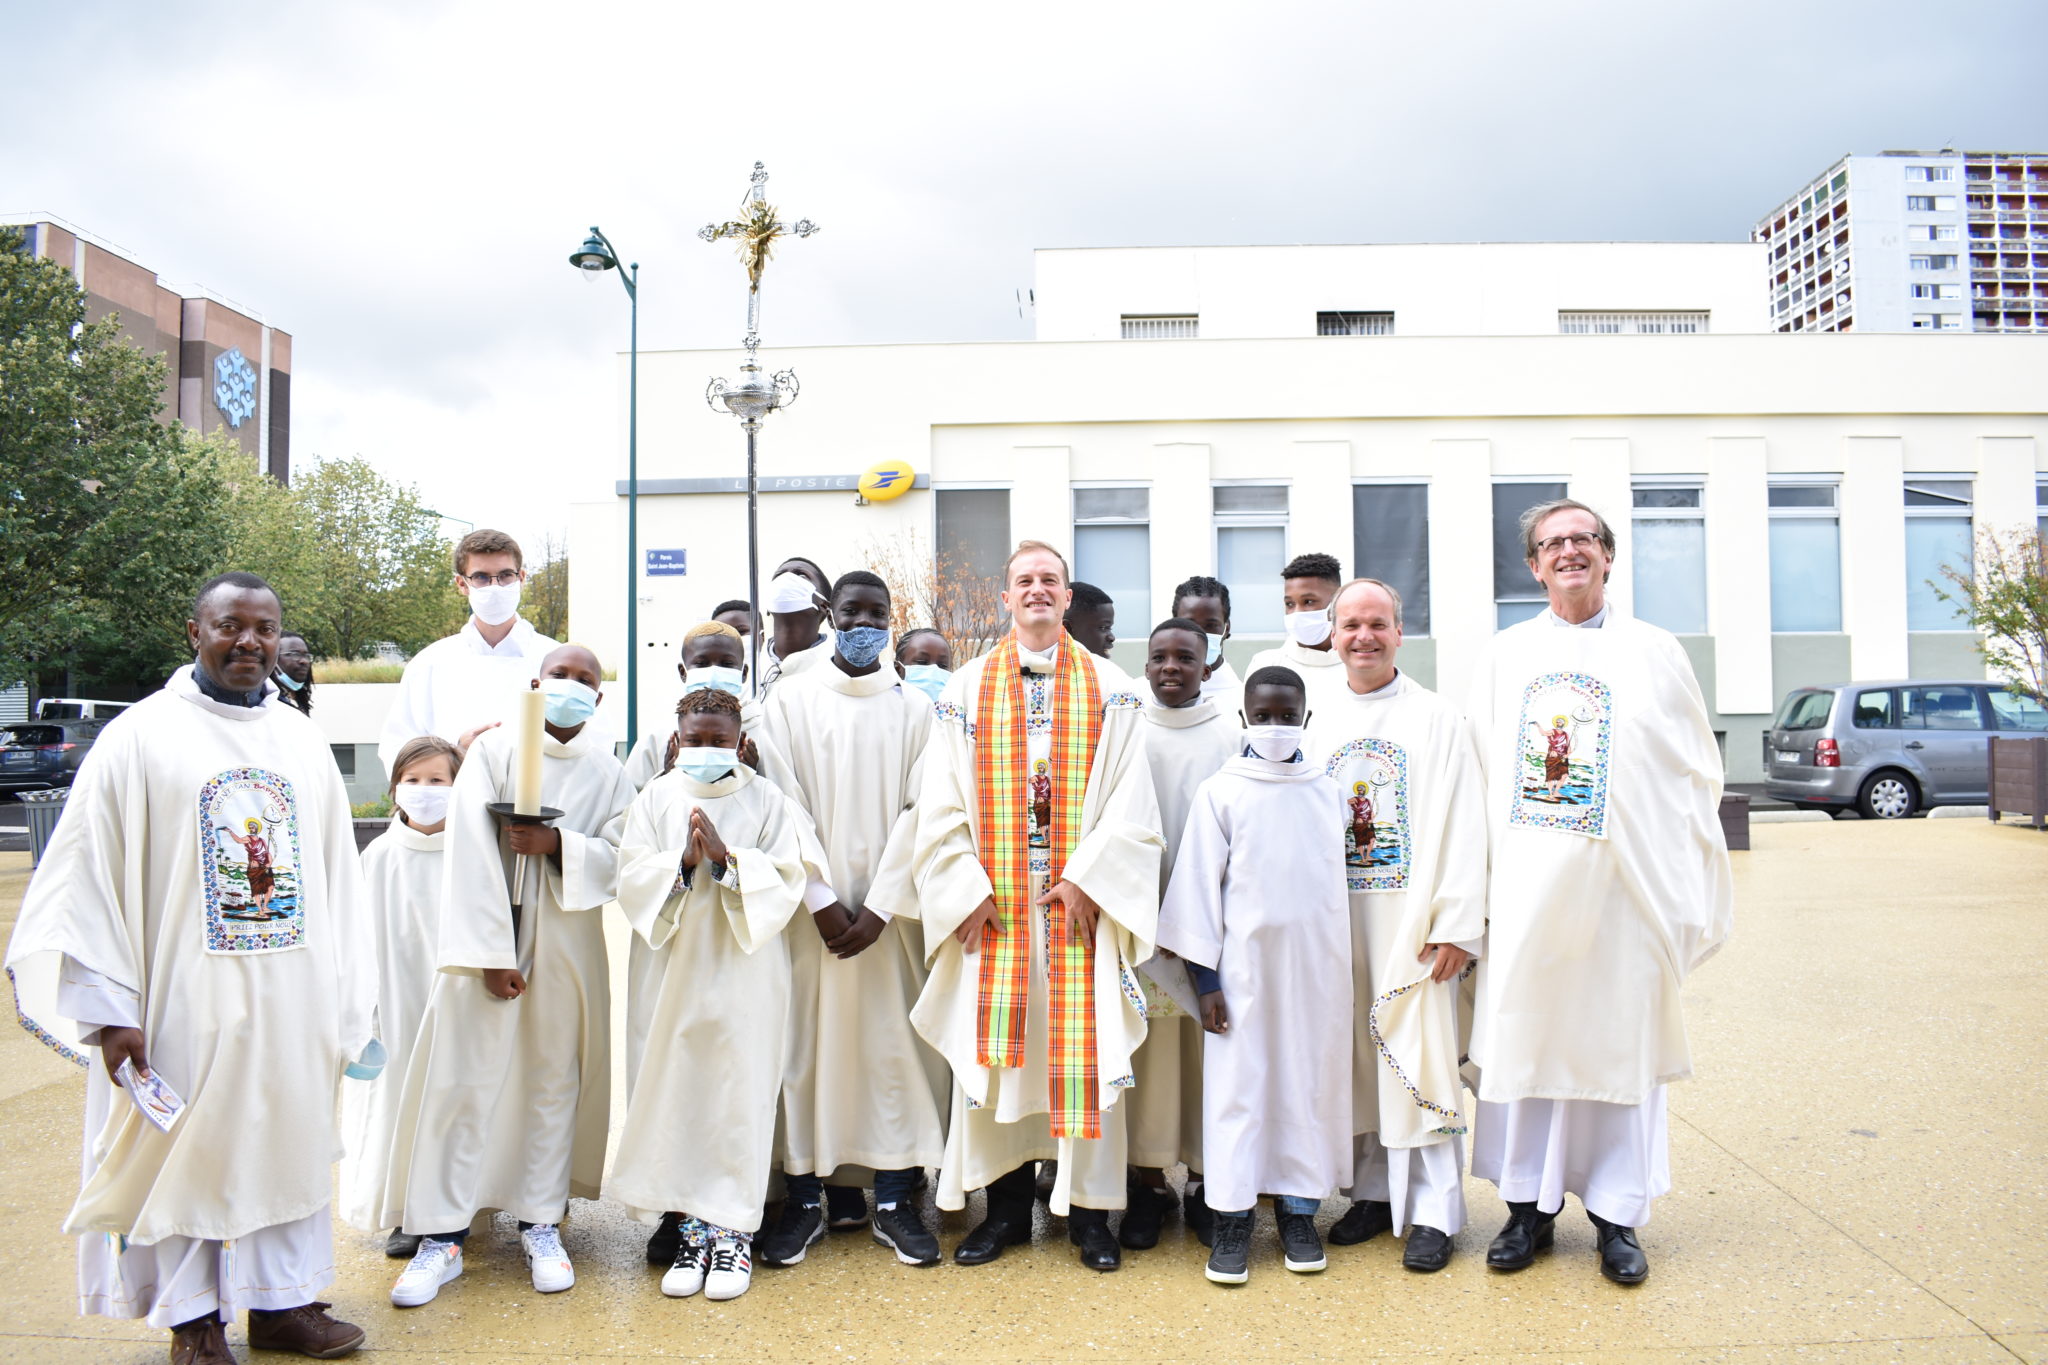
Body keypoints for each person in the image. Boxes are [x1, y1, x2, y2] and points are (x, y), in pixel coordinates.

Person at [6, 571, 376, 1364]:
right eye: (229, 624)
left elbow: (338, 874)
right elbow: (86, 878)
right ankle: (194, 1319)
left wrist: (350, 993)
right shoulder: (140, 736)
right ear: (195, 632)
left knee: (288, 1140)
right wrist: (108, 1008)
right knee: (181, 1150)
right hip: (180, 993)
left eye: (265, 628)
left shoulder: (300, 739)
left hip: (292, 992)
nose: (249, 641)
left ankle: (284, 1301)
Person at [1466, 499, 1733, 1285]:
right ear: (1534, 565)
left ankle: (1619, 1216)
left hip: (1626, 892)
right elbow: (1478, 772)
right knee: (1528, 1045)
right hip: (1528, 894)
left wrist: (1678, 880)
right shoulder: (1505, 655)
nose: (1569, 551)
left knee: (1619, 1049)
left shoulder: (1655, 650)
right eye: (1553, 543)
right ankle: (1527, 1209)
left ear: (1609, 555)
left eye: (1584, 538)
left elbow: (1693, 771)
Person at [905, 540, 1163, 1272]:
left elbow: (1133, 804)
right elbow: (939, 801)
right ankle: (1006, 1213)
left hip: (1080, 910)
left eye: (1050, 580)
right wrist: (964, 888)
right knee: (1000, 1066)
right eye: (1025, 580)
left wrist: (1090, 880)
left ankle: (1091, 1218)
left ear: (1067, 596)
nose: (1037, 590)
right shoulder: (965, 690)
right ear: (1007, 597)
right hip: (999, 910)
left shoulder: (1112, 688)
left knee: (1086, 1054)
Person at [382, 644, 635, 1307]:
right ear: (535, 682)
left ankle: (540, 1221)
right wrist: (490, 952)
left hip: (568, 942)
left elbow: (625, 857)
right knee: (465, 1077)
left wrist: (559, 846)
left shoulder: (608, 772)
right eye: (560, 675)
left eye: (585, 679)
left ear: (599, 697)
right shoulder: (495, 753)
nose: (571, 686)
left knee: (552, 1079)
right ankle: (443, 1233)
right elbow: (467, 851)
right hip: (490, 939)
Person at [756, 571, 948, 1269]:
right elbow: (780, 803)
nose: (864, 624)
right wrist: (819, 897)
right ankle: (805, 1198)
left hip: (889, 921)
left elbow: (925, 809)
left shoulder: (916, 711)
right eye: (850, 612)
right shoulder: (787, 702)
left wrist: (881, 905)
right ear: (828, 615)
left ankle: (895, 1198)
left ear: (891, 620)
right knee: (805, 1051)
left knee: (894, 1049)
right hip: (810, 918)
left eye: (876, 614)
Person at [1305, 579, 1487, 1273]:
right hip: (1333, 922)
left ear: (1399, 633)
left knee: (1421, 1057)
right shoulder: (1311, 715)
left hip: (1414, 925)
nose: (1364, 637)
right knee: (1354, 1060)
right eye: (1351, 624)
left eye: (1377, 624)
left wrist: (1459, 923)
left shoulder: (1438, 718)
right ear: (1333, 635)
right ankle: (1373, 1195)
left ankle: (1436, 1212)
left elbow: (1466, 821)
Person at [608, 687, 810, 1303]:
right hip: (670, 970)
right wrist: (679, 863)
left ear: (740, 741)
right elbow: (629, 876)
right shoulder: (655, 797)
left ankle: (733, 1233)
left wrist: (727, 862)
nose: (705, 749)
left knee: (737, 1092)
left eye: (718, 740)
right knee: (679, 1091)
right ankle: (691, 1231)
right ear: (676, 740)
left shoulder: (768, 799)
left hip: (746, 969)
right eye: (694, 739)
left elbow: (791, 878)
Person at [1157, 666, 1352, 1286]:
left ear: (1306, 719)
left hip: (1315, 976)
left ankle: (1299, 1214)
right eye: (1262, 716)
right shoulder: (1223, 792)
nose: (1275, 727)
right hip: (1240, 977)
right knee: (1237, 1093)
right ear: (1243, 719)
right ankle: (1233, 1218)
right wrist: (1205, 983)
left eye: (1287, 716)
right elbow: (1196, 891)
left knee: (1306, 1088)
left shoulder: (1328, 791)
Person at [1123, 617, 1239, 1251]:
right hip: (1138, 924)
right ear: (1145, 665)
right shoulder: (1124, 728)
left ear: (1207, 665)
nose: (1171, 667)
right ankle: (1147, 1186)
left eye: (1185, 658)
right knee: (1147, 1057)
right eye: (1160, 657)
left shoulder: (1231, 734)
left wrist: (1200, 916)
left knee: (1203, 1060)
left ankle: (1203, 1185)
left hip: (1210, 929)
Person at [340, 735, 462, 1260]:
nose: (424, 790)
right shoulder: (379, 855)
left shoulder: (473, 851)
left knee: (453, 1098)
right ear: (394, 788)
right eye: (412, 780)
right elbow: (356, 936)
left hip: (455, 999)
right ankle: (404, 1210)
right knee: (397, 1101)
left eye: (438, 780)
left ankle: (457, 1207)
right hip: (394, 999)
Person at [377, 529, 560, 778]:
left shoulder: (558, 661)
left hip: (542, 798)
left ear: (522, 578)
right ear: (462, 584)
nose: (495, 587)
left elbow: (592, 744)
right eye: (481, 577)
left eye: (505, 576)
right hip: (453, 799)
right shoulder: (429, 663)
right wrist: (456, 752)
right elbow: (398, 748)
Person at [1245, 552, 1347, 713]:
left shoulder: (1357, 664)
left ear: (1336, 602)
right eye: (1290, 604)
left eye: (1308, 602)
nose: (1296, 613)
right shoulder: (1266, 664)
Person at [760, 556, 836, 695]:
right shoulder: (749, 669)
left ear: (824, 606)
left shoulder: (837, 669)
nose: (786, 579)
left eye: (801, 575)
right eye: (779, 576)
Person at [1171, 575, 1238, 704]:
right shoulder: (1143, 694)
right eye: (1189, 624)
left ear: (1227, 628)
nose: (1199, 635)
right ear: (1173, 626)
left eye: (1210, 625)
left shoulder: (1243, 699)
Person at [894, 627, 953, 704]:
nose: (933, 671)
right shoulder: (884, 707)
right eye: (922, 662)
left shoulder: (960, 708)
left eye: (943, 665)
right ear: (898, 669)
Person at [1063, 581, 1116, 658]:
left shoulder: (1105, 666)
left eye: (1109, 628)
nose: (1112, 638)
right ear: (1067, 629)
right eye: (1103, 627)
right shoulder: (1048, 664)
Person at [274, 631, 314, 715]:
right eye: (295, 654)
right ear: (274, 659)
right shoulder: (267, 701)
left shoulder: (299, 698)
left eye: (306, 656)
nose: (304, 661)